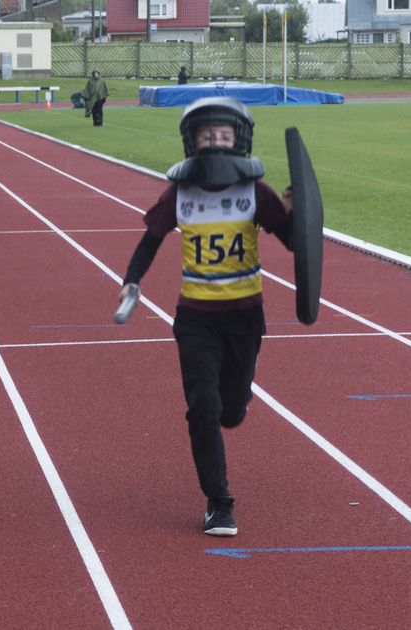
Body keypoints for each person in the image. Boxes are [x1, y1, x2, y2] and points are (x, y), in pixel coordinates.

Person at [117, 97, 293, 537]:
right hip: (196, 317)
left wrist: (302, 211)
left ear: (239, 138)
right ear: (191, 142)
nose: (214, 141)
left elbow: (294, 242)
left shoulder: (255, 192)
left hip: (245, 317)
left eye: (223, 134)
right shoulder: (180, 193)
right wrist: (132, 280)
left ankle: (236, 404)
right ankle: (219, 501)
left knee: (230, 412)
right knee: (203, 407)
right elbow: (150, 240)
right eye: (206, 134)